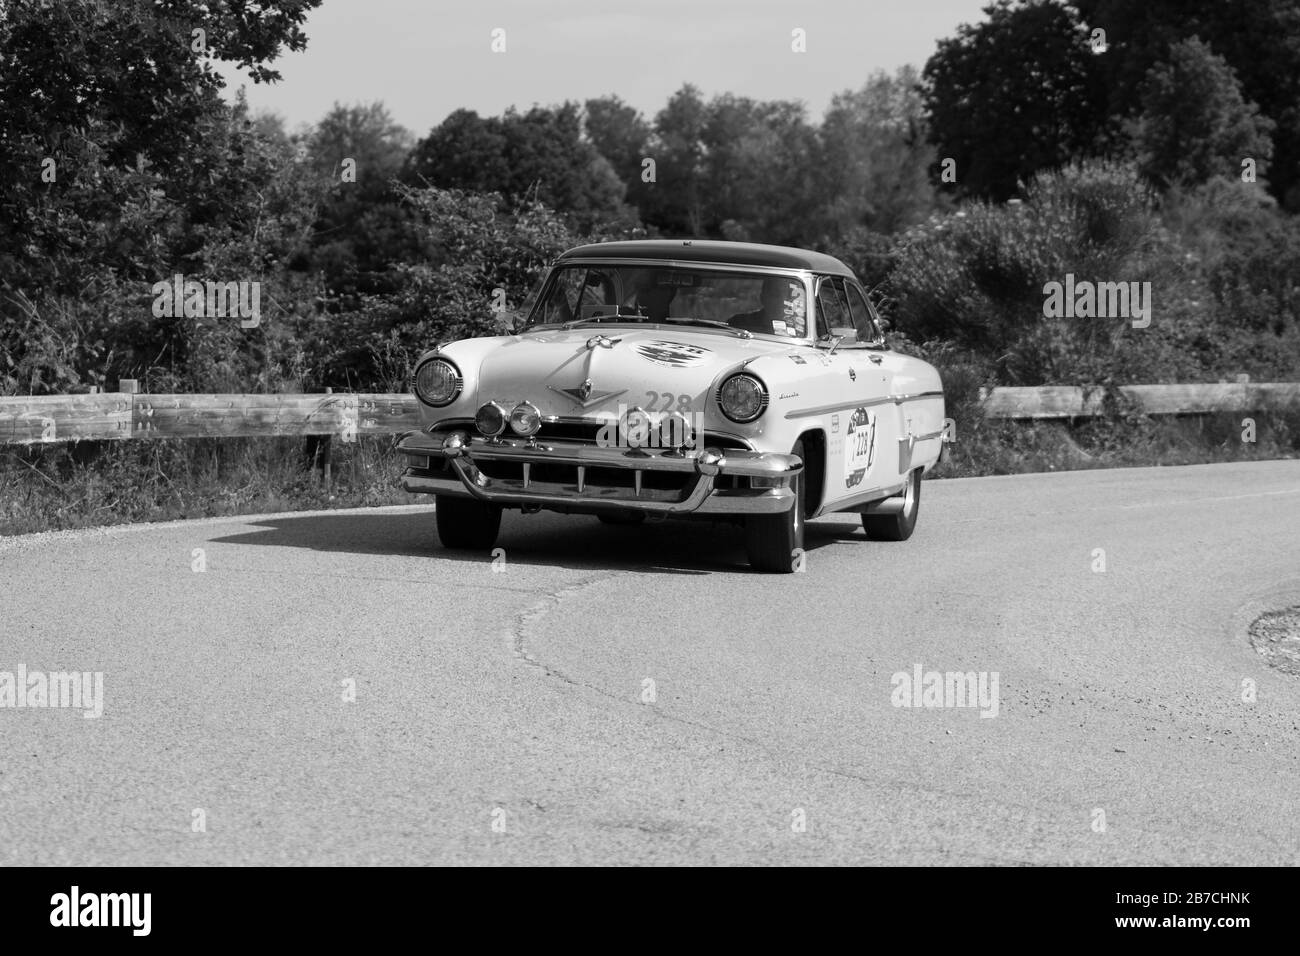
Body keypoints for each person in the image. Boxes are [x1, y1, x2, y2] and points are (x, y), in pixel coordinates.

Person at [728, 276, 801, 335]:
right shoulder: (740, 324)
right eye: (773, 294)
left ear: (791, 300)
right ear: (762, 297)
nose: (776, 301)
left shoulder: (799, 329)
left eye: (777, 294)